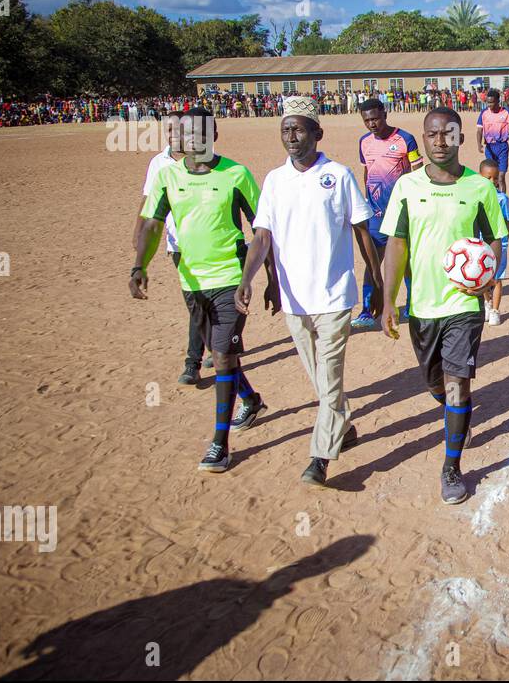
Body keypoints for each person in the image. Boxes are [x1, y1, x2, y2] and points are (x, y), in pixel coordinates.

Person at [235, 97, 382, 487]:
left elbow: (361, 230)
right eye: (285, 130)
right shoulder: (274, 180)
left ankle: (320, 457)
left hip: (334, 297)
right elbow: (262, 236)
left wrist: (377, 281)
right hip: (293, 299)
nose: (291, 137)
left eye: (299, 129)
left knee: (329, 380)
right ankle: (343, 426)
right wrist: (251, 279)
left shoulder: (339, 175)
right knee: (320, 381)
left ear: (318, 133)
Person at [131, 108, 273, 473]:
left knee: (223, 355)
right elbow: (151, 224)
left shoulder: (236, 174)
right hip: (190, 281)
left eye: (200, 132)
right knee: (218, 349)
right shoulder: (167, 176)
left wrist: (265, 278)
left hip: (230, 279)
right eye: (186, 132)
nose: (192, 138)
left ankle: (219, 444)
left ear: (214, 134)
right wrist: (139, 264)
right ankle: (251, 400)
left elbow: (263, 229)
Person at [380, 107, 507, 504]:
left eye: (447, 134)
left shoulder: (479, 188)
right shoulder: (406, 186)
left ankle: (451, 466)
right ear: (425, 137)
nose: (439, 141)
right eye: (432, 134)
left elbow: (495, 241)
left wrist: (485, 279)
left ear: (460, 138)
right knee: (435, 383)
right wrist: (387, 300)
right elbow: (396, 246)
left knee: (457, 383)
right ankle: (457, 416)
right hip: (422, 306)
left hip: (462, 306)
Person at [135, 109, 210, 385]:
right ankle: (200, 356)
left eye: (179, 131)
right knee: (196, 304)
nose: (173, 136)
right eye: (169, 131)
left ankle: (201, 356)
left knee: (204, 302)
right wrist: (139, 236)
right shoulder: (159, 163)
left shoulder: (208, 160)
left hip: (210, 244)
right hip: (177, 245)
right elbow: (148, 202)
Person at [352, 98, 419, 331]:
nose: (372, 124)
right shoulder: (364, 142)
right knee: (372, 263)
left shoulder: (406, 139)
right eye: (367, 120)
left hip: (401, 213)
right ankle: (367, 310)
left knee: (407, 261)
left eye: (375, 118)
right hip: (375, 215)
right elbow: (367, 173)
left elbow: (417, 174)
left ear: (385, 114)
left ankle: (412, 307)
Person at [479, 157, 509, 325]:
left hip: (500, 244)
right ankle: (487, 301)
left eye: (495, 178)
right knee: (484, 276)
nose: (492, 182)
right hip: (481, 243)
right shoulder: (476, 198)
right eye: (487, 178)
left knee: (497, 277)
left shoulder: (503, 199)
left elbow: (507, 221)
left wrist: (506, 241)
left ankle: (495, 310)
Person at [477, 88, 509, 194]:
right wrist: (479, 144)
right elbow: (479, 130)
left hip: (502, 147)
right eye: (488, 102)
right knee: (490, 176)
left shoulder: (507, 113)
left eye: (492, 102)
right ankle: (493, 198)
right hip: (489, 147)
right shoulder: (484, 113)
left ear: (498, 101)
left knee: (501, 176)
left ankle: (503, 200)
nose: (489, 105)